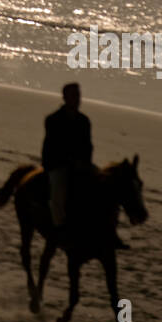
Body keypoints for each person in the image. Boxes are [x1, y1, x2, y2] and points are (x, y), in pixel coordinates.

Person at [42, 83, 128, 247]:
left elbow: (88, 146)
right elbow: (53, 147)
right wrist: (71, 162)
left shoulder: (84, 121)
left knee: (107, 185)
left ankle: (111, 230)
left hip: (81, 164)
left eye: (78, 95)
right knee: (58, 192)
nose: (77, 99)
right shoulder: (53, 120)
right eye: (74, 96)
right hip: (57, 165)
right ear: (65, 98)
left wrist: (85, 163)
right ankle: (59, 228)